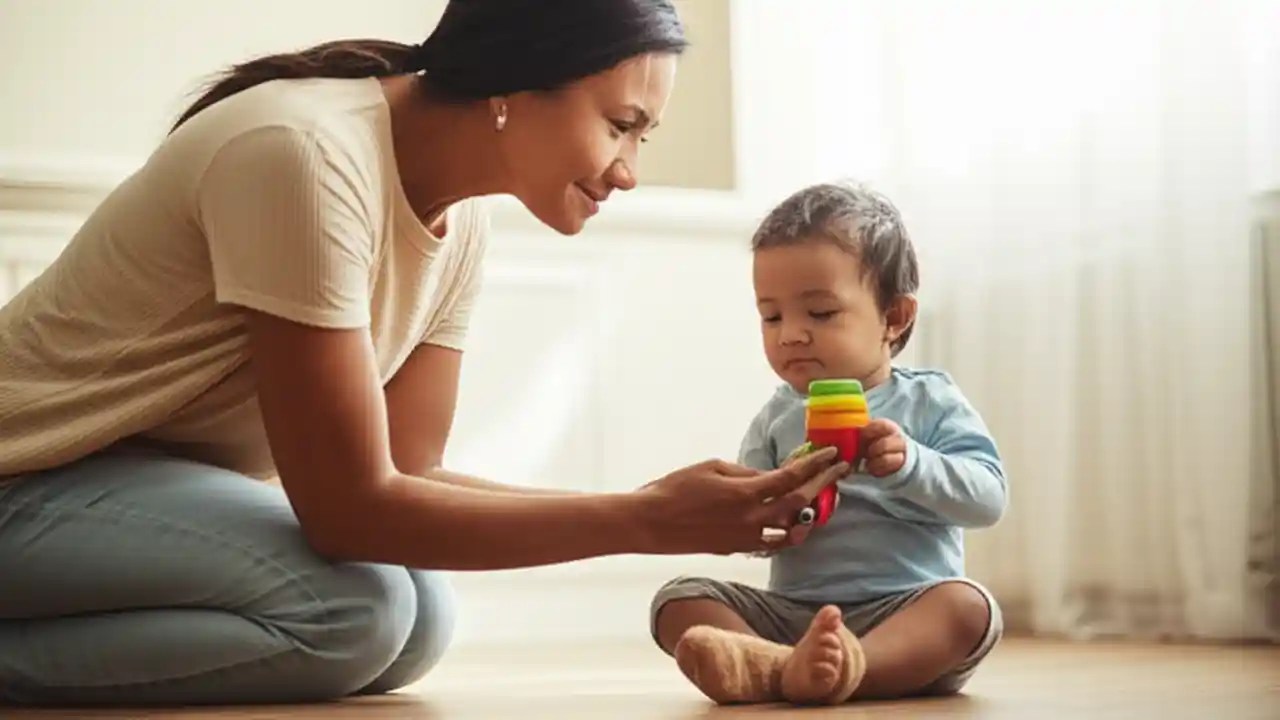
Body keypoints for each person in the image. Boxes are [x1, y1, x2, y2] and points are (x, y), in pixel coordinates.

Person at [0, 1, 848, 706]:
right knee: (355, 611)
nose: (628, 170)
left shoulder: (461, 216)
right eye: (621, 125)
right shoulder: (305, 154)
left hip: (133, 492)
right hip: (30, 478)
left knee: (422, 613)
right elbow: (348, 510)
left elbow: (409, 471)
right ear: (516, 81)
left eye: (643, 138)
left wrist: (646, 505)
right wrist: (647, 519)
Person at [648, 181, 1008, 706]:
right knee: (677, 601)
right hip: (794, 616)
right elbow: (750, 526)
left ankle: (849, 667)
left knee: (969, 608)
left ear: (894, 317)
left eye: (819, 313)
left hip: (902, 612)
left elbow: (988, 499)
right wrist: (775, 509)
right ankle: (782, 664)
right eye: (772, 316)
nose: (790, 333)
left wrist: (912, 463)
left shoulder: (930, 400)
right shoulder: (777, 418)